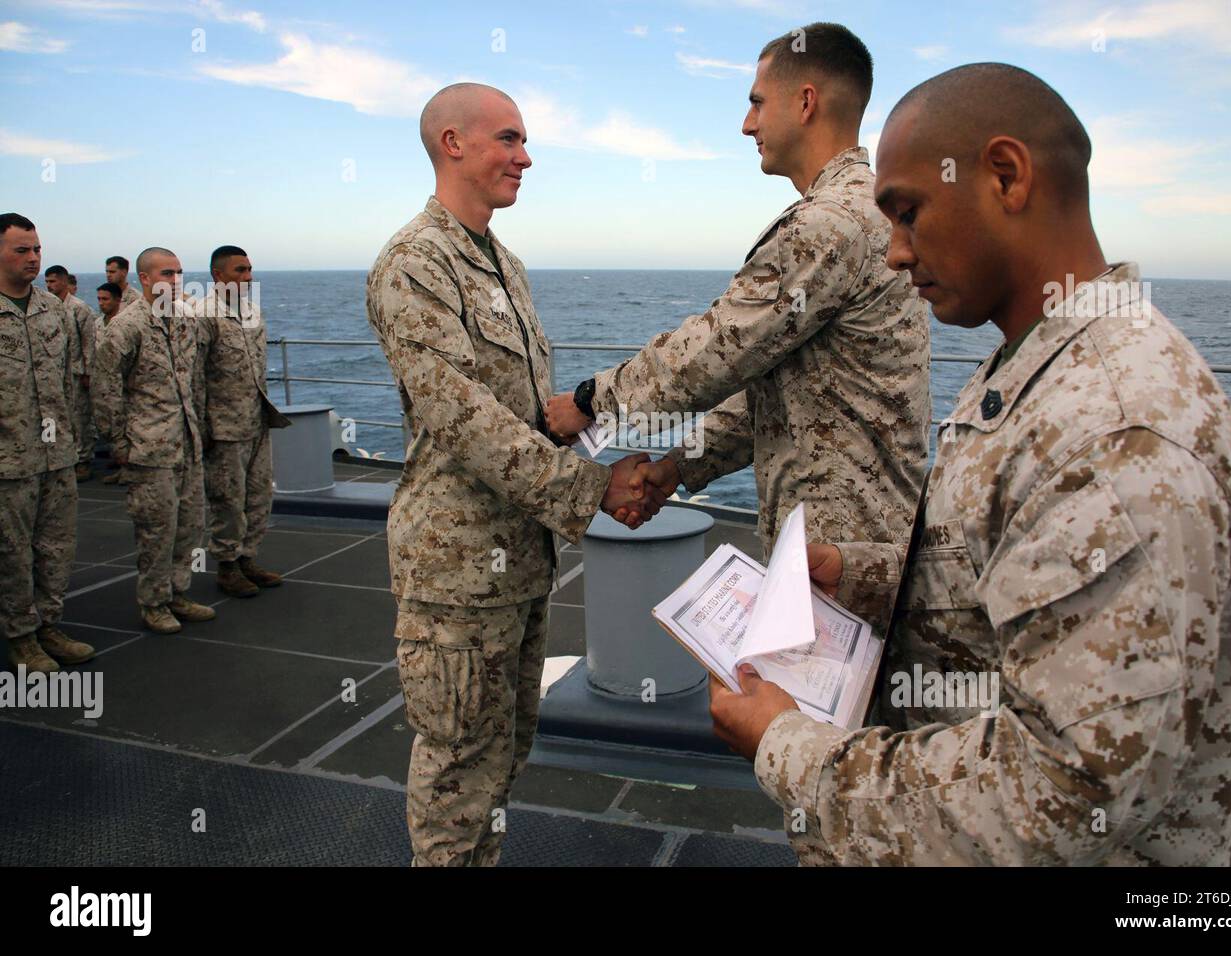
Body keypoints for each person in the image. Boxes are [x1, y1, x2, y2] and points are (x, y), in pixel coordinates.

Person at [708, 63, 1231, 866]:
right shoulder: (1036, 367)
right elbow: (1008, 571)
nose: (896, 254)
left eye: (908, 213)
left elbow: (1066, 791)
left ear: (1006, 176)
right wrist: (859, 574)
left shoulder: (1115, 431)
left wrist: (784, 743)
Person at [545, 22, 930, 635]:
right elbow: (775, 397)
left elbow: (712, 354)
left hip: (837, 557)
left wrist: (592, 402)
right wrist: (676, 470)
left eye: (756, 102)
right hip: (857, 544)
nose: (746, 124)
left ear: (805, 102)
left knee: (811, 727)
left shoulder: (827, 226)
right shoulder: (870, 212)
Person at [366, 83, 667, 866]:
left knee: (503, 758)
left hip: (519, 562)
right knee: (458, 766)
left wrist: (598, 417)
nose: (525, 156)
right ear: (452, 143)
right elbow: (465, 420)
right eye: (508, 138)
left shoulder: (507, 267)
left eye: (525, 140)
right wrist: (595, 491)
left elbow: (526, 413)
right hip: (456, 571)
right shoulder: (413, 264)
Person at [93, 247, 213, 634]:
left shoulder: (184, 321)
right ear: (144, 278)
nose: (175, 281)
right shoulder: (127, 326)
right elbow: (105, 385)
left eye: (179, 273)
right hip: (150, 447)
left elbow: (194, 377)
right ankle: (154, 602)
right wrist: (119, 442)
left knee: (190, 526)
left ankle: (179, 591)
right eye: (166, 274)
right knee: (156, 530)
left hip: (187, 440)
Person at [0, 214, 95, 672]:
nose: (34, 258)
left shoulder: (53, 309)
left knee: (56, 544)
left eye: (36, 249)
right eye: (22, 250)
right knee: (12, 552)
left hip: (56, 453)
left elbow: (67, 380)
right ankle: (20, 636)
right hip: (7, 460)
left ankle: (49, 623)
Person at [193, 245, 291, 598]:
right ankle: (228, 566)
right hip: (224, 426)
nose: (247, 277)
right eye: (239, 271)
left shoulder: (252, 312)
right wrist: (202, 427)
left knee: (259, 495)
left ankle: (248, 557)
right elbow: (194, 376)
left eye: (249, 270)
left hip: (256, 418)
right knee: (228, 500)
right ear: (218, 275)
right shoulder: (202, 315)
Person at [44, 266, 97, 481]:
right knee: (59, 416)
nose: (49, 286)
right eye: (47, 282)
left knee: (80, 417)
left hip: (76, 371)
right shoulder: (48, 306)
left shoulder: (79, 308)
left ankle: (83, 460)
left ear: (65, 282)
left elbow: (89, 341)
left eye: (53, 282)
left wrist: (88, 372)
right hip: (56, 371)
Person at [92, 282, 125, 484]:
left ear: (117, 300)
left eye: (105, 299)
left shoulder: (125, 324)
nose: (101, 303)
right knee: (106, 427)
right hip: (102, 383)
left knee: (123, 427)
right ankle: (119, 463)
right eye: (99, 299)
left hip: (120, 383)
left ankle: (127, 469)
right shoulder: (97, 324)